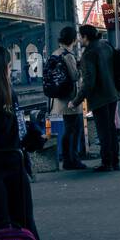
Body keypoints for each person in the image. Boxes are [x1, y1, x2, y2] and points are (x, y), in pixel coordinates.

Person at [0, 42, 46, 240]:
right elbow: (22, 137)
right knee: (24, 225)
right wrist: (35, 135)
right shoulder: (9, 97)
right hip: (14, 169)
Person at [69, 25, 120, 171]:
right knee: (111, 128)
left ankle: (107, 163)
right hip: (112, 93)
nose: (79, 40)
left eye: (81, 36)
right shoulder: (106, 46)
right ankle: (115, 161)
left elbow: (89, 82)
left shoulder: (89, 53)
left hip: (100, 97)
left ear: (85, 37)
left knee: (103, 131)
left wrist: (76, 101)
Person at [49, 26, 85, 170]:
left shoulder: (55, 53)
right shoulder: (67, 55)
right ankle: (71, 160)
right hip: (69, 99)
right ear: (73, 40)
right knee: (72, 130)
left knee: (68, 130)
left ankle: (67, 158)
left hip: (58, 99)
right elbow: (75, 76)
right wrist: (81, 67)